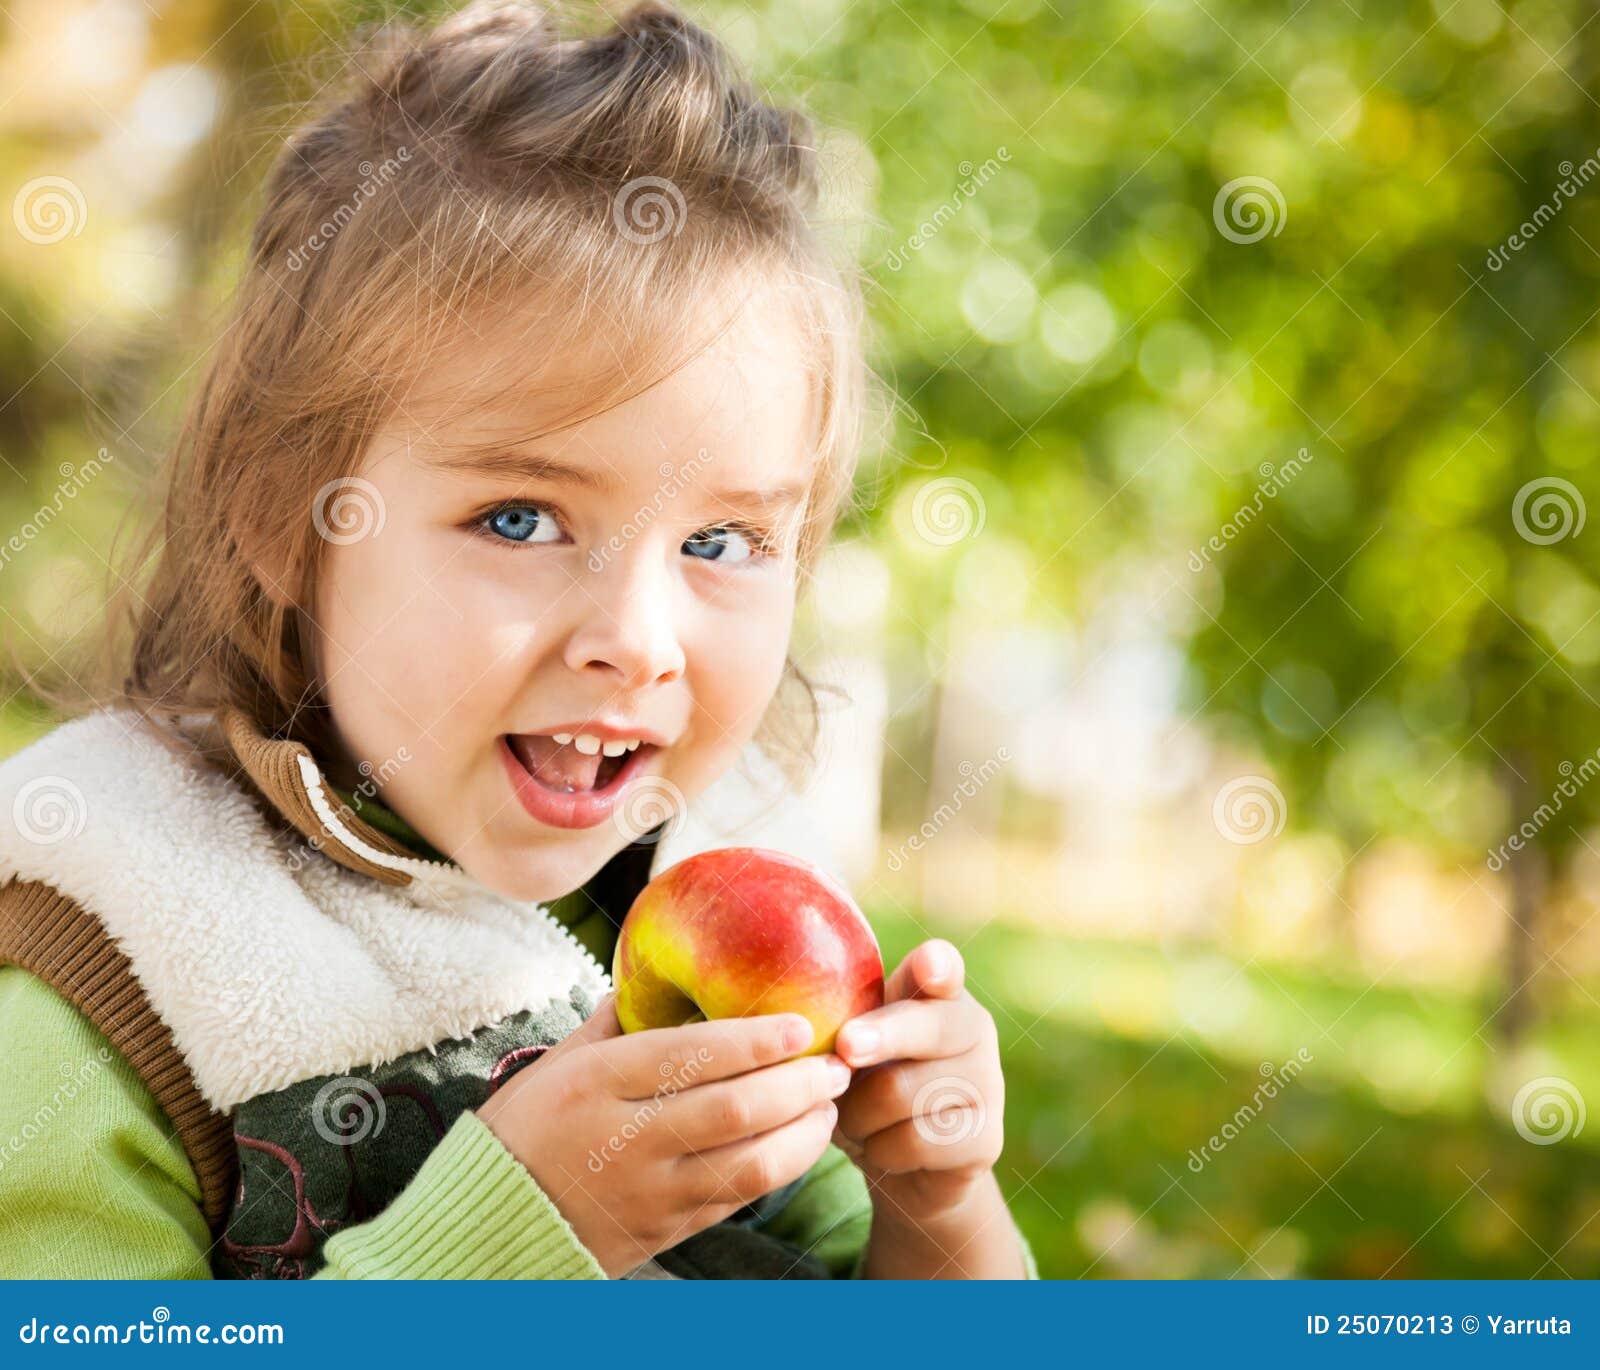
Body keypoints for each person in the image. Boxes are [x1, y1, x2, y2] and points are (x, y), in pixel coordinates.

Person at [0, 0, 1032, 1280]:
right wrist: (522, 1234)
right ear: (286, 518)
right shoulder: (109, 962)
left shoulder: (697, 890)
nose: (637, 640)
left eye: (720, 544)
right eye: (520, 516)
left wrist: (933, 1207)